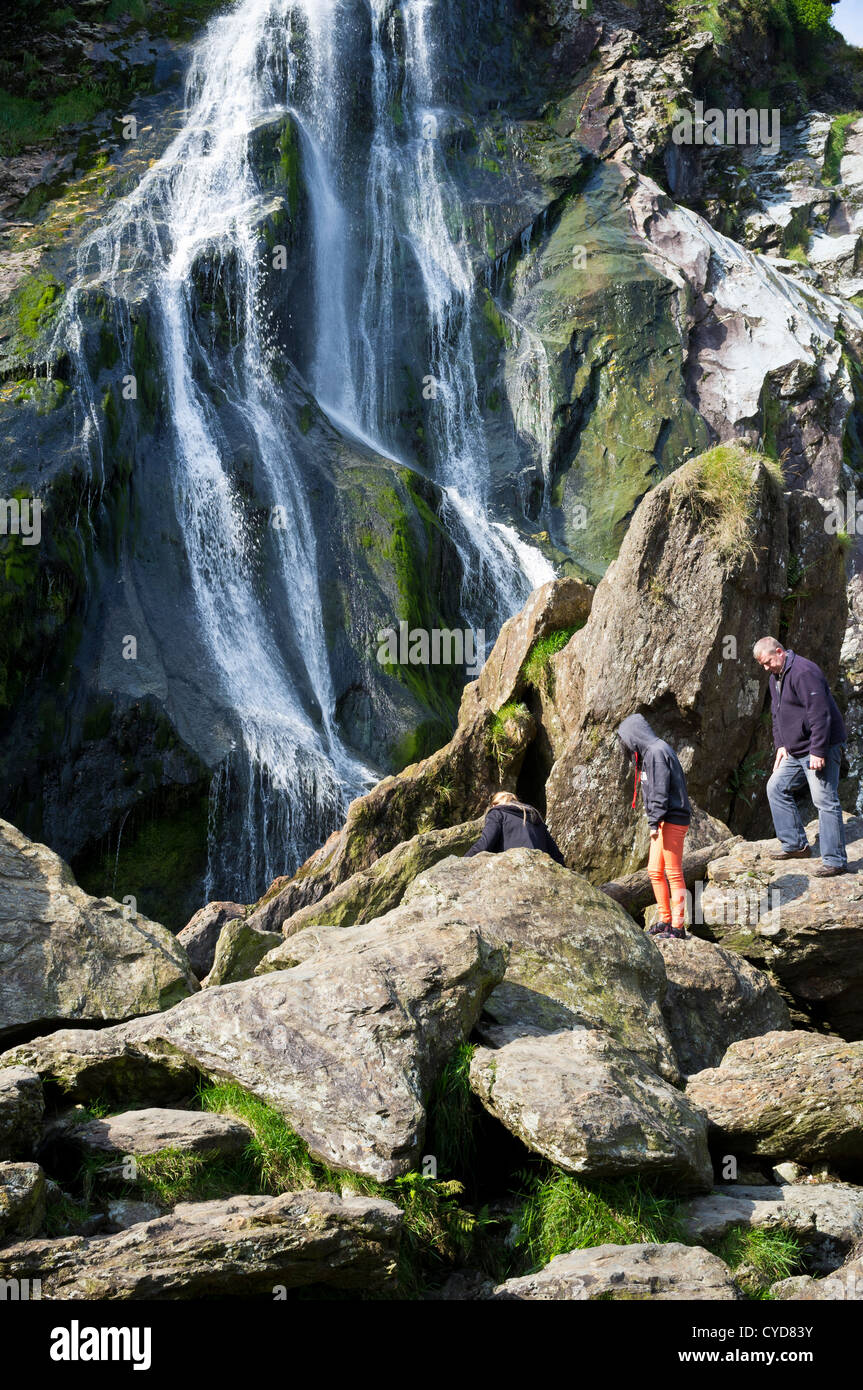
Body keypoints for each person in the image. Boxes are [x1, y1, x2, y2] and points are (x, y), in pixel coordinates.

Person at [753, 637, 848, 875]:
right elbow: (777, 714)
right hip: (795, 750)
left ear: (779, 652)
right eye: (762, 665)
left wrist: (817, 750)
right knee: (775, 787)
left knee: (825, 800)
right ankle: (795, 845)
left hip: (820, 747)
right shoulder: (775, 676)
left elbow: (820, 714)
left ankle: (835, 860)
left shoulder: (804, 671)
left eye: (767, 662)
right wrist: (781, 745)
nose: (766, 668)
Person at [617, 713, 691, 940]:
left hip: (671, 819)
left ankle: (678, 926)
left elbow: (660, 792)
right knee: (654, 871)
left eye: (625, 740)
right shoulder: (648, 754)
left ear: (633, 736)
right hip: (663, 819)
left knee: (673, 872)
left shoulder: (658, 753)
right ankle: (664, 920)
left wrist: (654, 822)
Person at [465, 790, 565, 864]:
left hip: (513, 869)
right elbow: (556, 855)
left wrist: (463, 861)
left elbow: (485, 844)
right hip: (541, 870)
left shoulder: (497, 813)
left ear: (494, 804)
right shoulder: (535, 816)